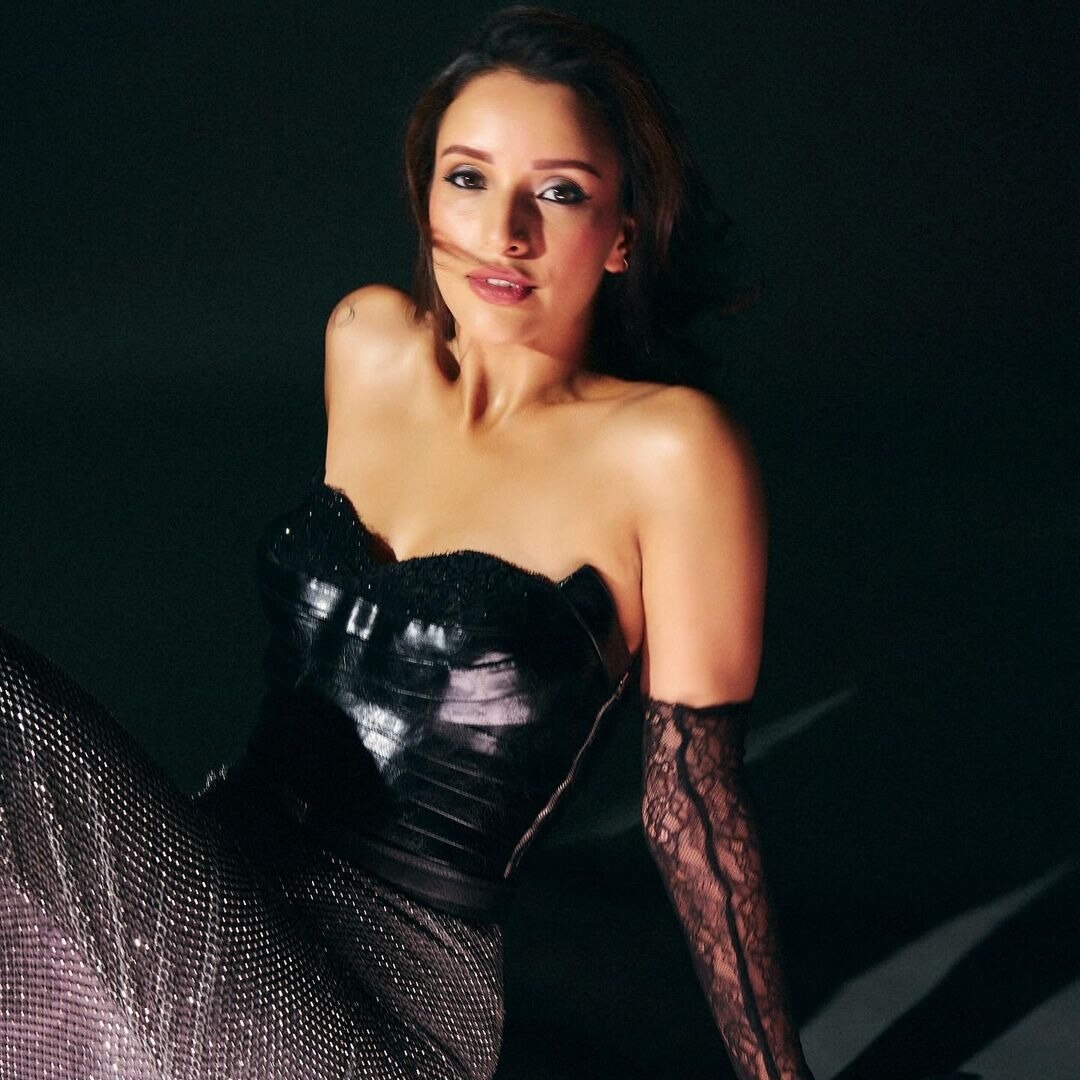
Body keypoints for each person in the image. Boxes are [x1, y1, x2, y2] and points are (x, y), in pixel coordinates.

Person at [0, 7, 814, 1079]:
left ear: (624, 233)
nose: (504, 233)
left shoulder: (670, 450)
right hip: (200, 911)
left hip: (381, 1003)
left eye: (558, 192)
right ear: (427, 194)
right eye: (467, 178)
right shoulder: (369, 343)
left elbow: (691, 806)